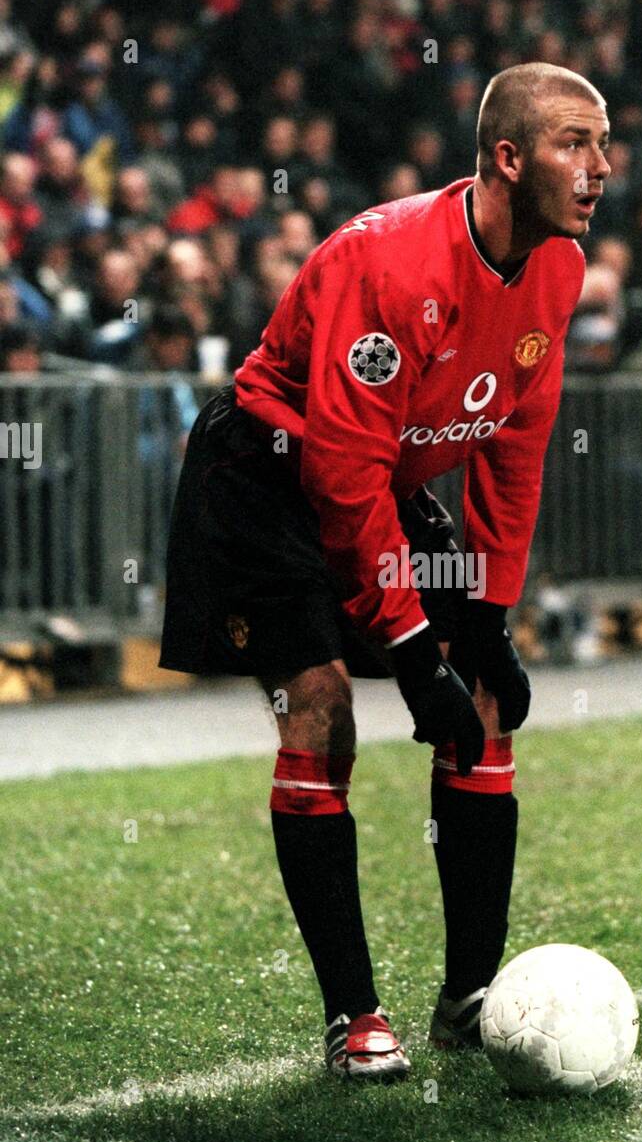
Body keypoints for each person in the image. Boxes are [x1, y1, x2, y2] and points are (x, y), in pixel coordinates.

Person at [159, 61, 609, 1080]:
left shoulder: (560, 269)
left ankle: (470, 998)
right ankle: (353, 1017)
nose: (599, 168)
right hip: (267, 470)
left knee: (483, 696)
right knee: (320, 706)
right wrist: (409, 652)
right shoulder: (391, 263)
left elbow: (513, 444)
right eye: (574, 144)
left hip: (382, 471)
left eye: (602, 144)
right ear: (506, 156)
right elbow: (343, 473)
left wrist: (489, 613)